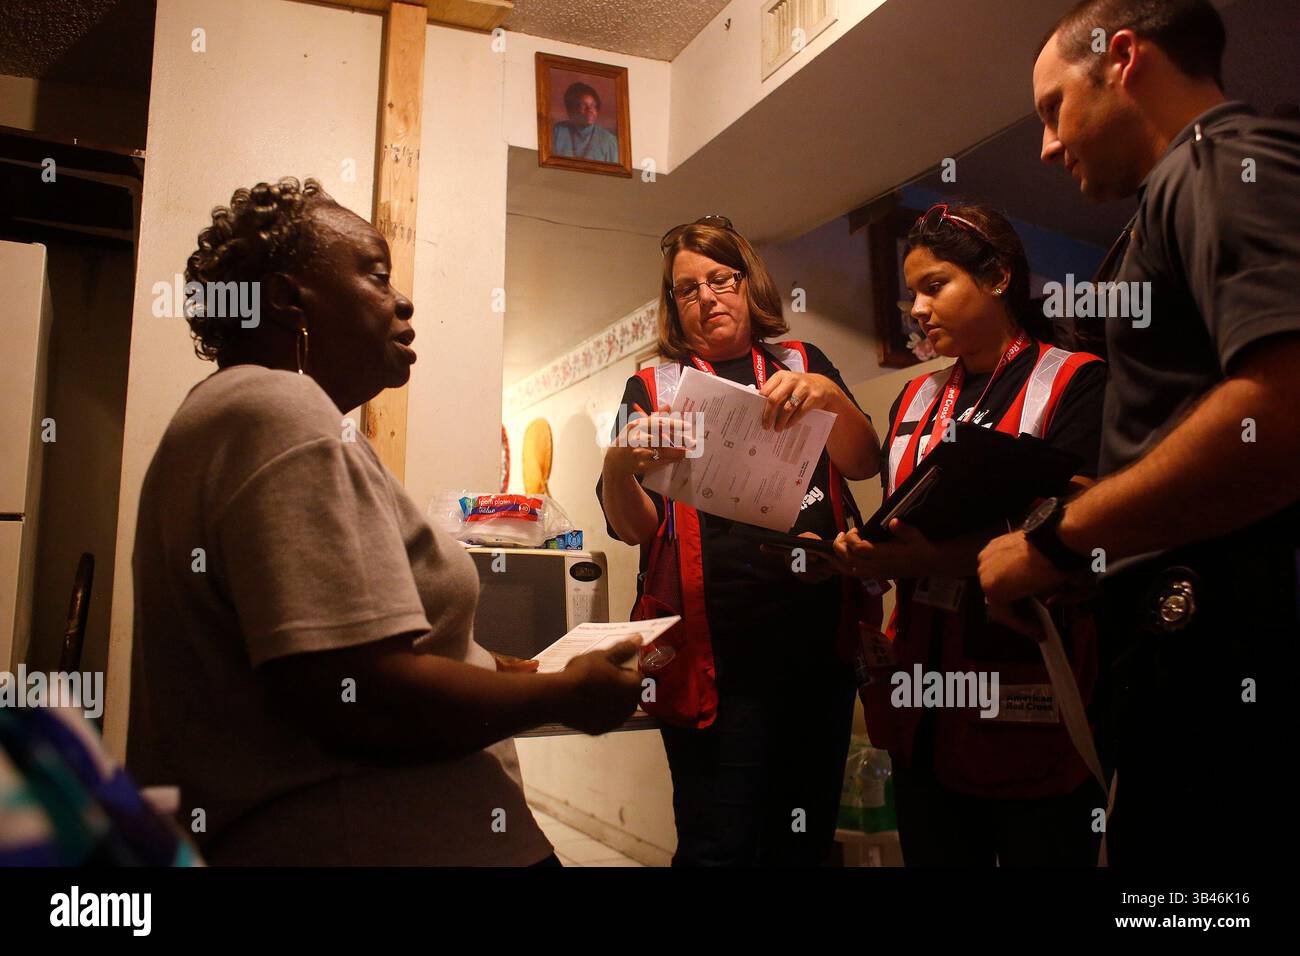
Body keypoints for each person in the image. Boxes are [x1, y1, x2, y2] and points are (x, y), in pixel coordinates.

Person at [127, 178, 643, 866]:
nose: (402, 299)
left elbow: (353, 661)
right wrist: (562, 696)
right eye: (375, 274)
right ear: (286, 298)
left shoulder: (229, 418)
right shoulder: (279, 411)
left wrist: (510, 670)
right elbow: (361, 695)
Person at [980, 0, 1300, 866]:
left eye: (1052, 108)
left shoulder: (1218, 165)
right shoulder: (1169, 201)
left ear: (1123, 58)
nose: (1046, 144)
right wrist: (1110, 525)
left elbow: (1281, 417)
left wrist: (1056, 538)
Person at [826, 202, 1108, 865]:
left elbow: (1087, 536)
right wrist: (868, 554)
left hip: (1027, 689)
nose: (917, 309)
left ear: (999, 278)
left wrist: (940, 558)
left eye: (935, 286)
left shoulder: (1074, 380)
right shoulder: (916, 399)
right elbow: (902, 519)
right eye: (911, 294)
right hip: (924, 702)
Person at [596, 215, 880, 865]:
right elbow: (632, 526)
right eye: (686, 289)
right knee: (716, 846)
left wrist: (830, 396)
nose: (706, 298)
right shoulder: (648, 387)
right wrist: (618, 462)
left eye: (719, 280)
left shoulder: (805, 363)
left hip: (817, 653)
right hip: (712, 662)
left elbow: (865, 463)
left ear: (748, 284)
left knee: (802, 846)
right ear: (675, 306)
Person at [552, 82, 619, 163]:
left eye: (593, 105)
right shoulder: (557, 132)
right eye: (583, 105)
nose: (590, 109)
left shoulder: (610, 141)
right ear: (573, 109)